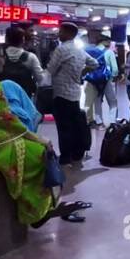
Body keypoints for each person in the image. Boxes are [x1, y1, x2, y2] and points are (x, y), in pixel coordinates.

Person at [0, 40, 90, 225]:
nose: (3, 63)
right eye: (1, 58)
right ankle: (35, 210)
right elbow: (2, 118)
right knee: (39, 153)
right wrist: (36, 137)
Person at [47, 23, 97, 165]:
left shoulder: (61, 49)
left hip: (61, 94)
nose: (59, 34)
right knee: (74, 125)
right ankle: (76, 154)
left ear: (69, 34)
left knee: (63, 127)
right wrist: (82, 73)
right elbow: (94, 64)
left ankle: (65, 157)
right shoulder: (79, 50)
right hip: (75, 94)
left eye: (61, 31)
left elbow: (50, 70)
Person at [83, 37, 120, 128]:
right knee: (112, 102)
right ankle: (112, 122)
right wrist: (113, 77)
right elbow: (115, 69)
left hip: (94, 80)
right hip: (106, 80)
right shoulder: (109, 52)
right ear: (105, 42)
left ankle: (99, 123)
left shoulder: (90, 52)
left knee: (97, 101)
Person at [0, 26, 45, 98]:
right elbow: (41, 78)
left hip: (3, 96)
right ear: (23, 40)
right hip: (24, 97)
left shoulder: (0, 56)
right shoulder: (31, 57)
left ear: (7, 39)